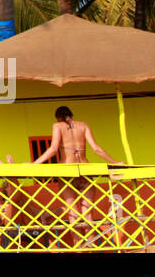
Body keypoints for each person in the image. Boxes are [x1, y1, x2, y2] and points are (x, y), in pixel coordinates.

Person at [31, 106, 122, 247]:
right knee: (88, 214)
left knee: (73, 214)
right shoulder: (83, 125)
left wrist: (34, 164)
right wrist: (115, 163)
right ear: (71, 115)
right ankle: (91, 248)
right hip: (86, 172)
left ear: (58, 117)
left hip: (67, 172)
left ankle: (79, 247)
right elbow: (96, 148)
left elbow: (54, 149)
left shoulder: (57, 126)